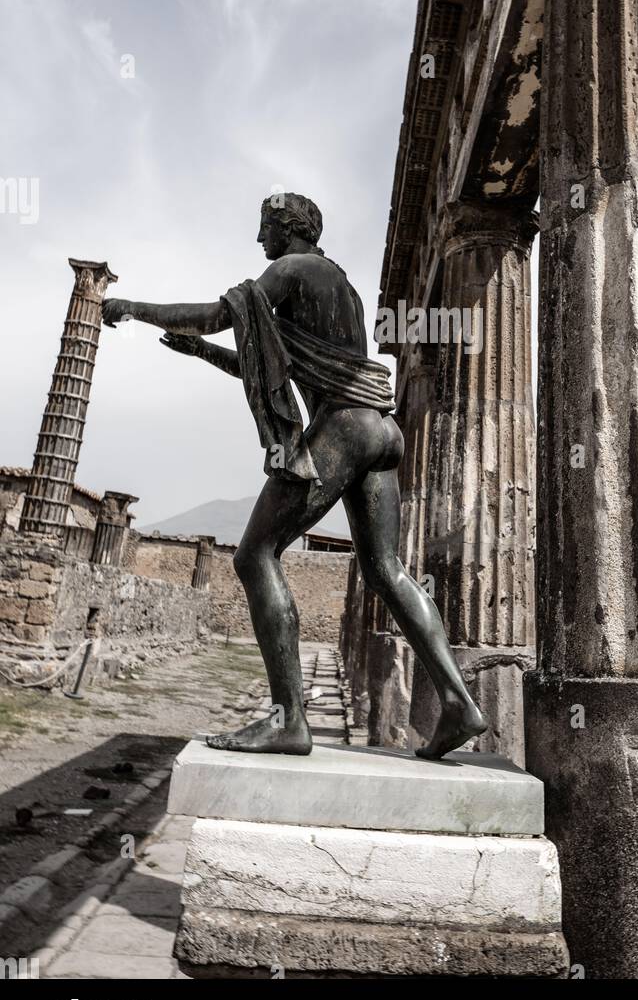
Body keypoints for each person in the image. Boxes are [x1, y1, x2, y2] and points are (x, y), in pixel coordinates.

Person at [102, 192, 486, 760]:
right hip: (382, 429)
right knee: (386, 569)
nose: (260, 241)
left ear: (288, 228)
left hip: (345, 429)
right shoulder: (341, 286)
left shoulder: (291, 269)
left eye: (264, 228)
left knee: (254, 555)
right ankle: (459, 703)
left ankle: (287, 720)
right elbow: (270, 360)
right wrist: (204, 355)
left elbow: (216, 314)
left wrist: (133, 307)